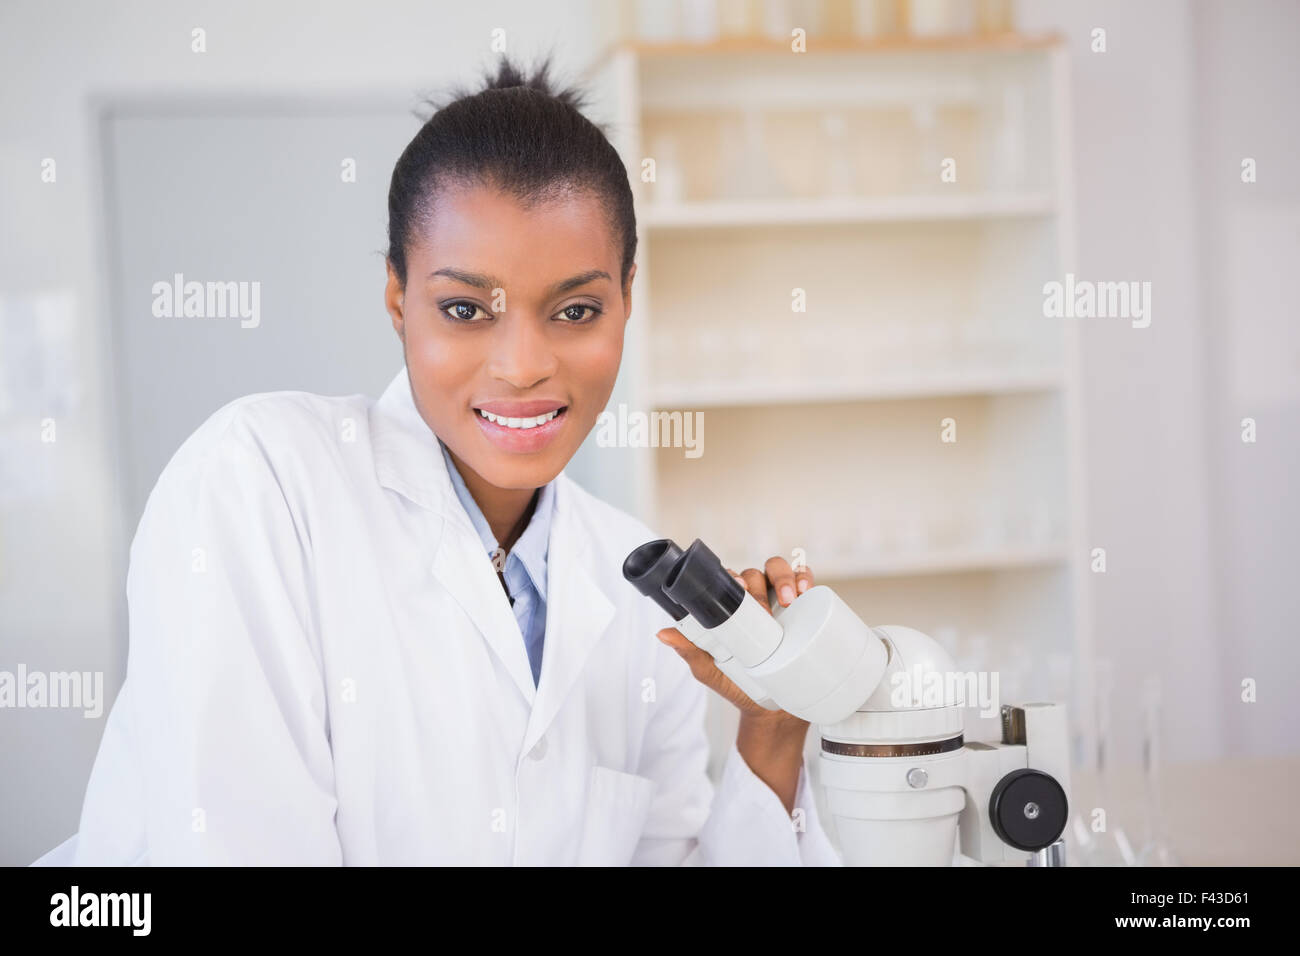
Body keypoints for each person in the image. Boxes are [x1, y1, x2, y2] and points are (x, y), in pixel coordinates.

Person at [36, 55, 842, 866]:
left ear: (627, 297)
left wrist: (770, 737)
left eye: (577, 309)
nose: (523, 364)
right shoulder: (259, 485)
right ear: (397, 299)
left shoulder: (637, 601)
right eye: (465, 309)